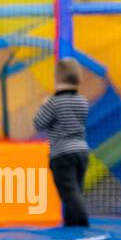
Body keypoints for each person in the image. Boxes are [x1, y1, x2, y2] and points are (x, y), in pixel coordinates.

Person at [33, 58, 90, 227]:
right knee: (75, 190)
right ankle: (72, 225)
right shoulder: (82, 101)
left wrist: (43, 106)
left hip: (62, 153)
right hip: (81, 150)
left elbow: (39, 123)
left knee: (69, 193)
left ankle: (81, 221)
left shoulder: (54, 102)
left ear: (57, 78)